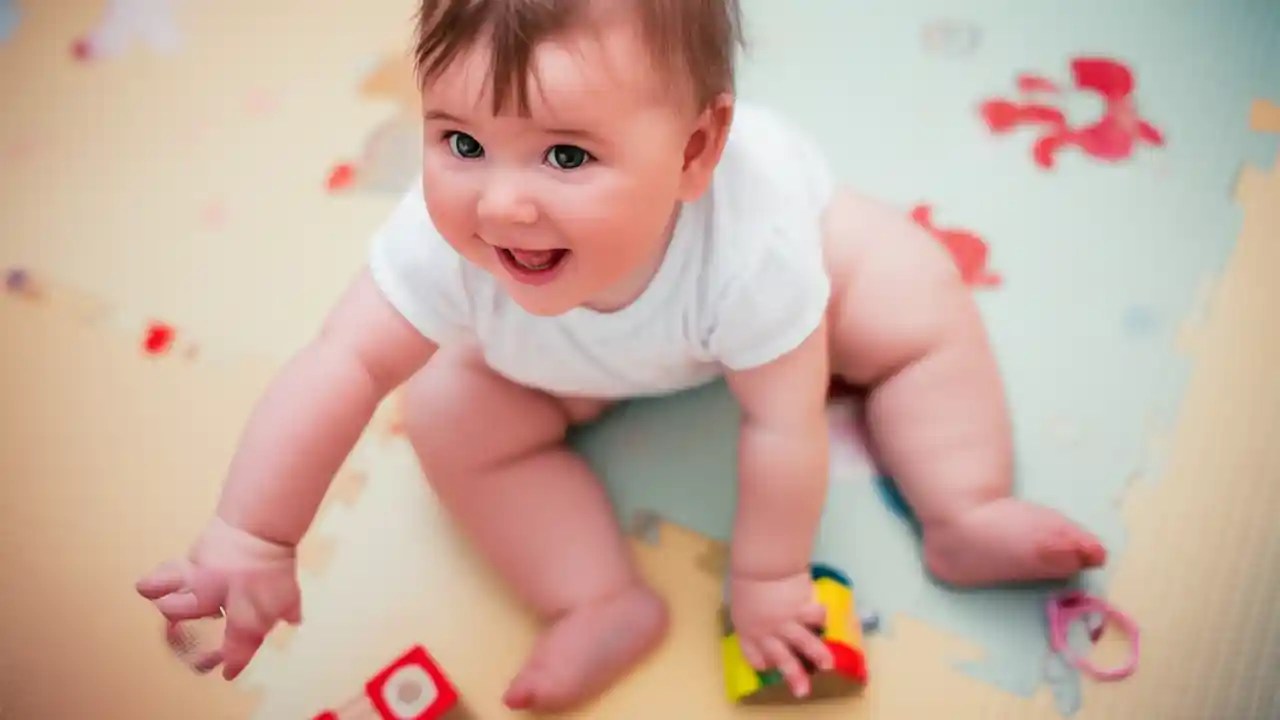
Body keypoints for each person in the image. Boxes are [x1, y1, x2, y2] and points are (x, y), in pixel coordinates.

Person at [136, 0, 1106, 711]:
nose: (501, 204)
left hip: (765, 315)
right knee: (443, 412)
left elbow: (781, 420)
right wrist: (254, 534)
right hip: (546, 361)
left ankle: (962, 507)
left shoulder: (753, 249)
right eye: (461, 142)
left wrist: (768, 579)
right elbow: (340, 364)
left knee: (914, 297)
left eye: (564, 156)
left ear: (693, 151)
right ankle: (596, 599)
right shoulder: (448, 243)